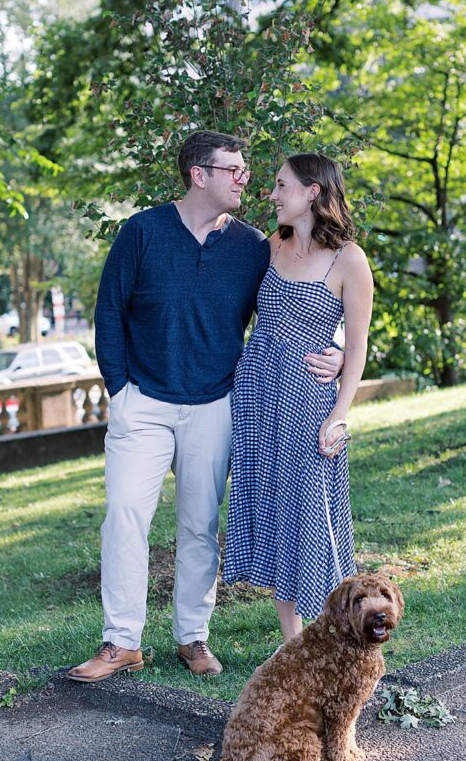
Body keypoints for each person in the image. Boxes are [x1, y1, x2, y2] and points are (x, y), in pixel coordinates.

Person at [70, 131, 343, 683]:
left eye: (248, 171)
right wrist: (120, 390)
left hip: (217, 403)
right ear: (200, 175)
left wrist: (337, 353)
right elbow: (109, 312)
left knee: (200, 526)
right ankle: (121, 641)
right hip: (143, 403)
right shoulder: (142, 232)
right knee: (124, 515)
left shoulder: (254, 246)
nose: (246, 180)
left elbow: (299, 303)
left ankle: (193, 637)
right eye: (234, 170)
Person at [223, 154, 374, 644]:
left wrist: (340, 413)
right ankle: (293, 643)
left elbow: (359, 346)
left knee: (311, 512)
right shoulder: (271, 246)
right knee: (275, 509)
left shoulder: (348, 259)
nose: (272, 194)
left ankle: (341, 635)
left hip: (308, 402)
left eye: (281, 185)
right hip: (256, 396)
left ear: (312, 191)